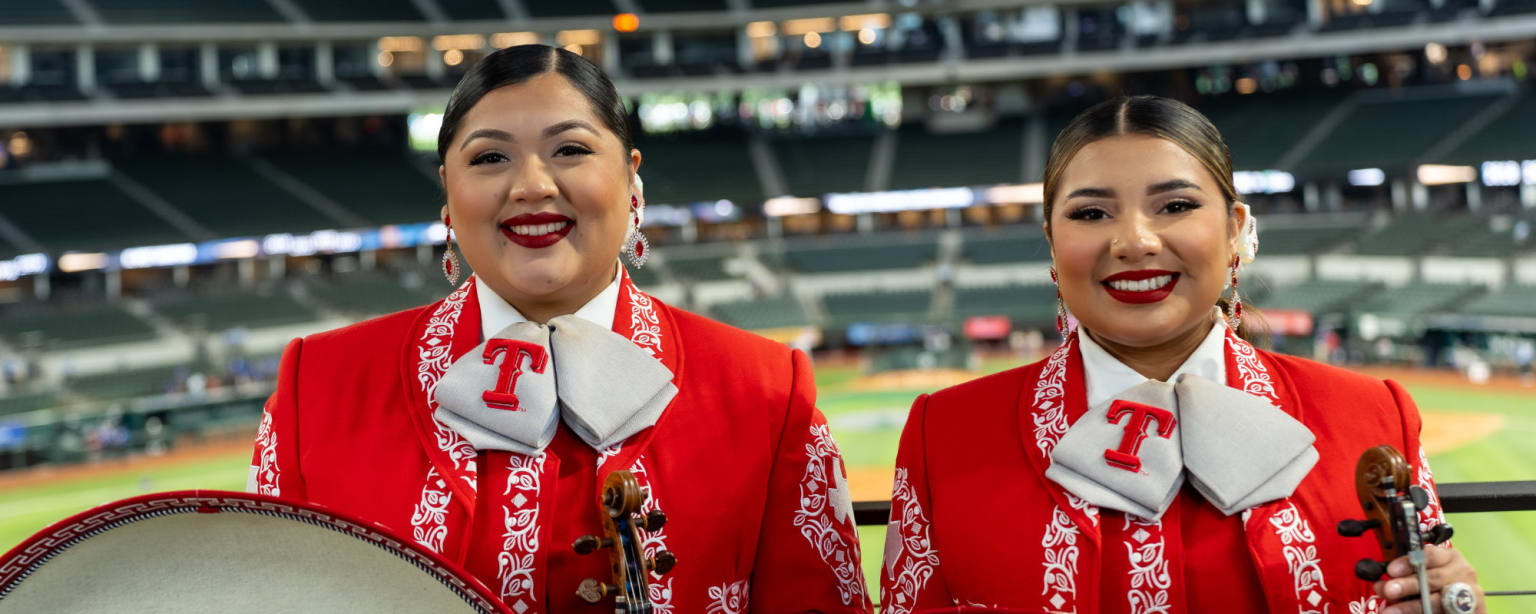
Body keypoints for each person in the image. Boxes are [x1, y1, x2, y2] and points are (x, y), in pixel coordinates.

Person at [248, 45, 870, 613]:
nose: (532, 186)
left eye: (569, 150)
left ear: (631, 179)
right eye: (490, 158)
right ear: (447, 193)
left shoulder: (767, 392)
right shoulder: (315, 389)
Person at [879, 96, 1483, 614]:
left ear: (1235, 229)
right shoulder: (946, 434)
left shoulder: (1372, 417)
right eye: (1090, 213)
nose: (1135, 241)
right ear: (1052, 244)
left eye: (1176, 206)